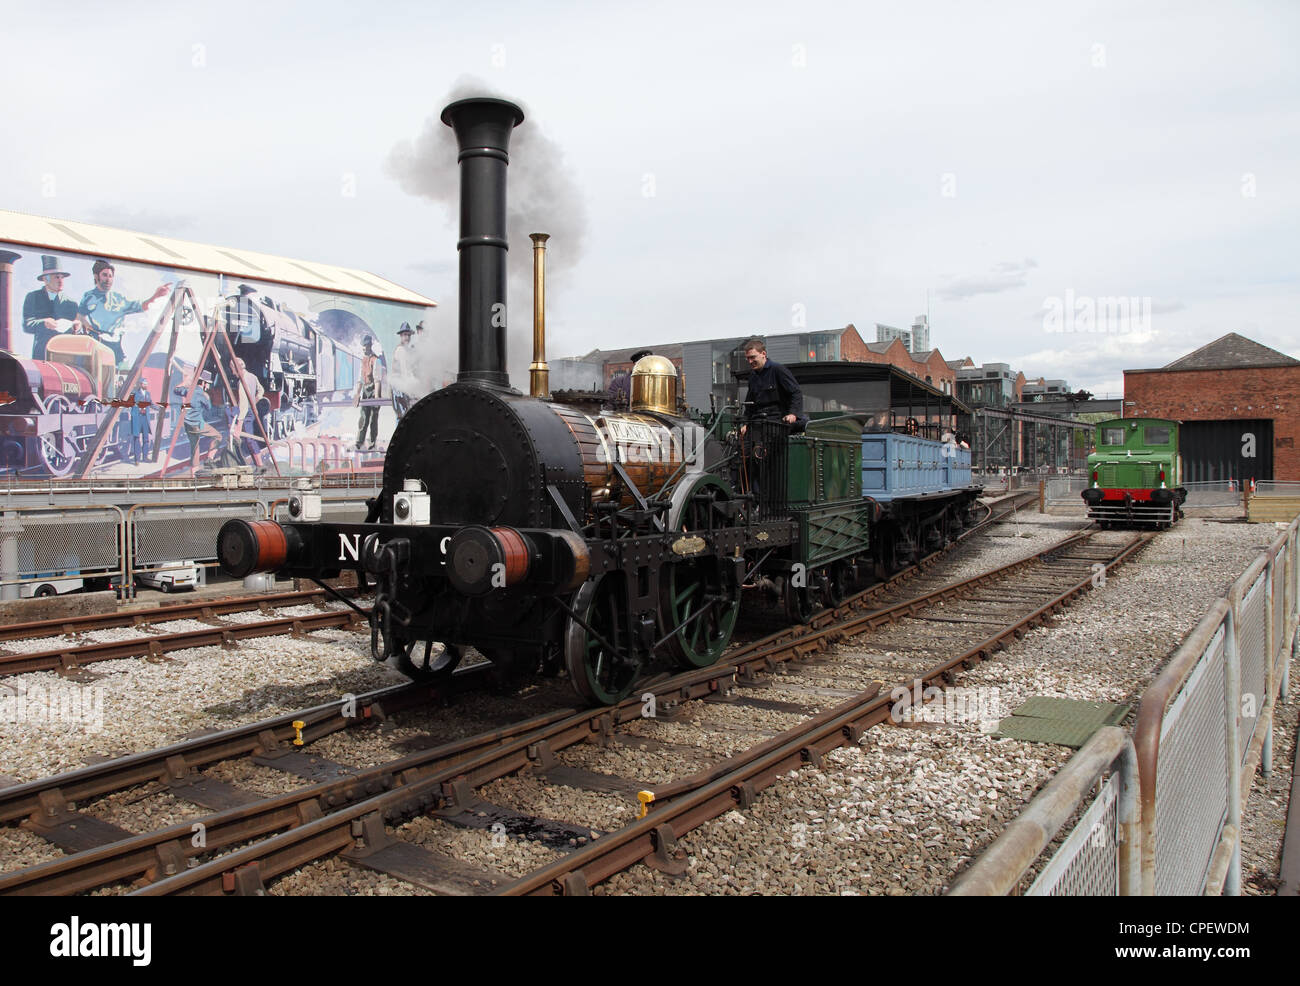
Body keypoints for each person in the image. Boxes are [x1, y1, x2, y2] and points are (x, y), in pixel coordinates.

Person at [78, 260, 171, 367]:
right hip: (95, 345)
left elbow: (141, 306)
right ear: (96, 276)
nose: (108, 279)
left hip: (115, 346)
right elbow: (80, 316)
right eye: (104, 275)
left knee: (122, 373)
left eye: (110, 276)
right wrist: (88, 327)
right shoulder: (88, 296)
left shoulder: (119, 299)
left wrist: (156, 295)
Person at [22, 256, 80, 360]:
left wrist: (77, 328)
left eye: (62, 277)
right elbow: (27, 325)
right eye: (56, 277)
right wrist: (44, 323)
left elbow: (75, 336)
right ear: (45, 279)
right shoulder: (33, 297)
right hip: (41, 356)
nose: (60, 280)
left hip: (65, 357)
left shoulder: (71, 304)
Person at [176, 371, 221, 474]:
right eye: (208, 383)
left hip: (187, 425)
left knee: (195, 448)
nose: (208, 386)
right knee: (218, 436)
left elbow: (176, 390)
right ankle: (209, 459)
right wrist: (207, 398)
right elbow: (209, 408)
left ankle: (193, 474)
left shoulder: (188, 390)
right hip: (198, 424)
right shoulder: (203, 395)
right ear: (204, 383)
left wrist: (185, 382)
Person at [355, 336, 382, 451]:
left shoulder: (376, 360)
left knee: (373, 418)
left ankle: (372, 442)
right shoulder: (362, 360)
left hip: (374, 388)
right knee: (363, 417)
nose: (364, 348)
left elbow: (377, 380)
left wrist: (376, 397)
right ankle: (359, 441)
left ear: (369, 346)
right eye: (363, 346)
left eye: (365, 346)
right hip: (365, 389)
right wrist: (357, 394)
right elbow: (360, 379)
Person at [390, 323, 416, 419]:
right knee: (403, 416)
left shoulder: (407, 350)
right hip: (398, 388)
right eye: (405, 335)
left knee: (405, 415)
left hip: (402, 386)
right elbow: (405, 372)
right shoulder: (401, 350)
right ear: (401, 336)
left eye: (409, 335)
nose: (407, 337)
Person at [129, 378, 152, 465]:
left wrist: (160, 408)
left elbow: (151, 403)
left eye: (147, 384)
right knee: (137, 438)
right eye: (144, 384)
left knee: (146, 438)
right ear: (140, 384)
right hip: (137, 418)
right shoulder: (135, 394)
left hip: (145, 418)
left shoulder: (148, 394)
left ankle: (145, 457)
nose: (146, 385)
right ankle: (137, 459)